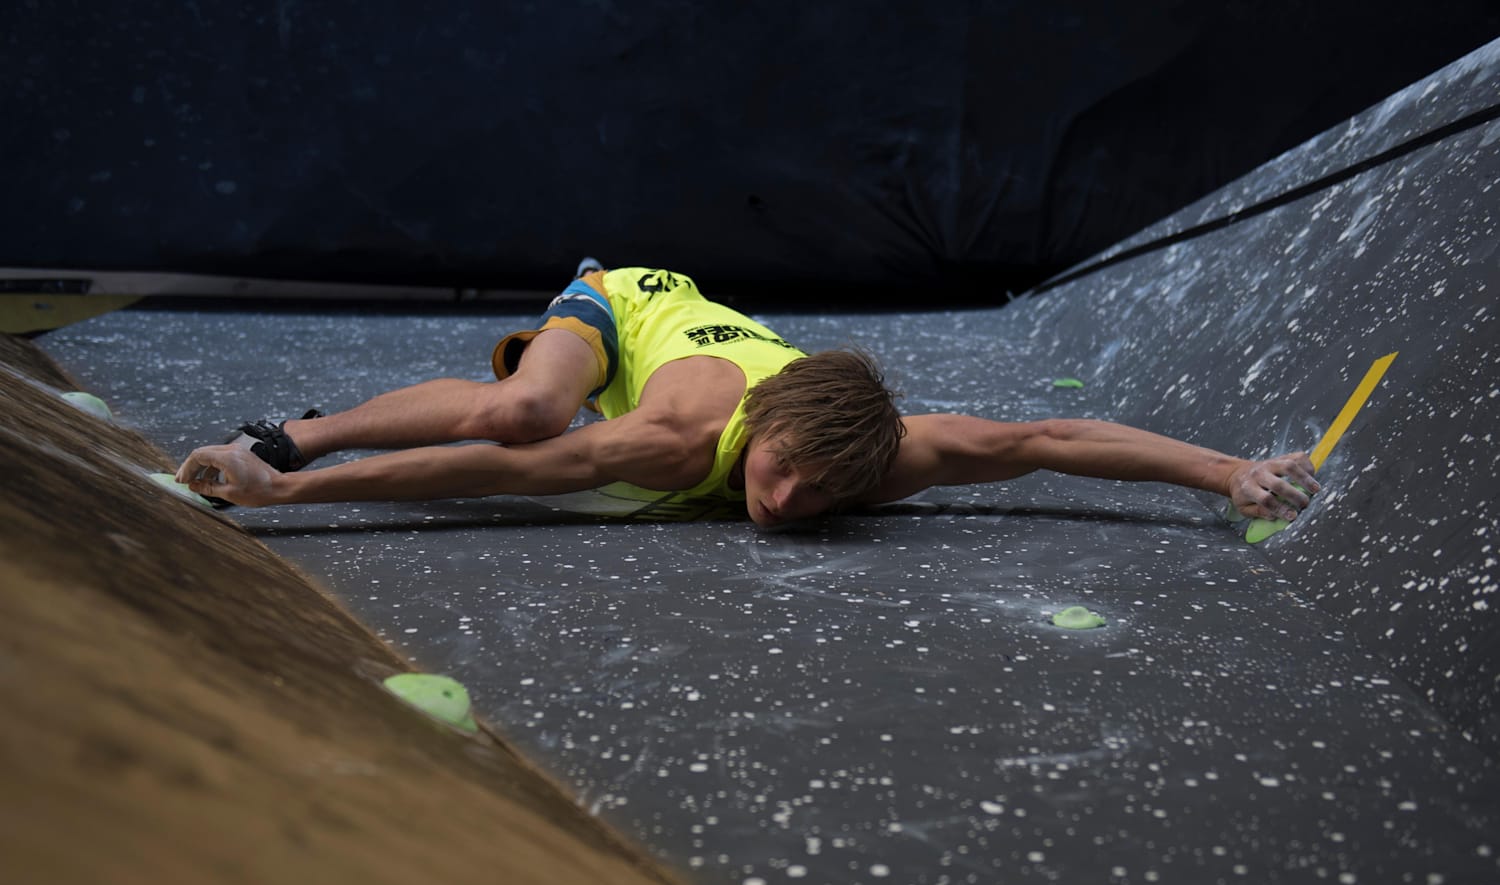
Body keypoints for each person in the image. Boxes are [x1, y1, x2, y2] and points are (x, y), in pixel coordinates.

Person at [176, 263, 1320, 528]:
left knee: (560, 430)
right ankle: (301, 427)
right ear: (756, 431)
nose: (785, 504)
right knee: (527, 414)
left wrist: (1228, 471)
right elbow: (499, 471)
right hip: (630, 302)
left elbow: (1049, 434)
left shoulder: (884, 450)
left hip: (685, 369)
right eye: (779, 472)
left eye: (820, 494)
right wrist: (288, 491)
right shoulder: (686, 438)